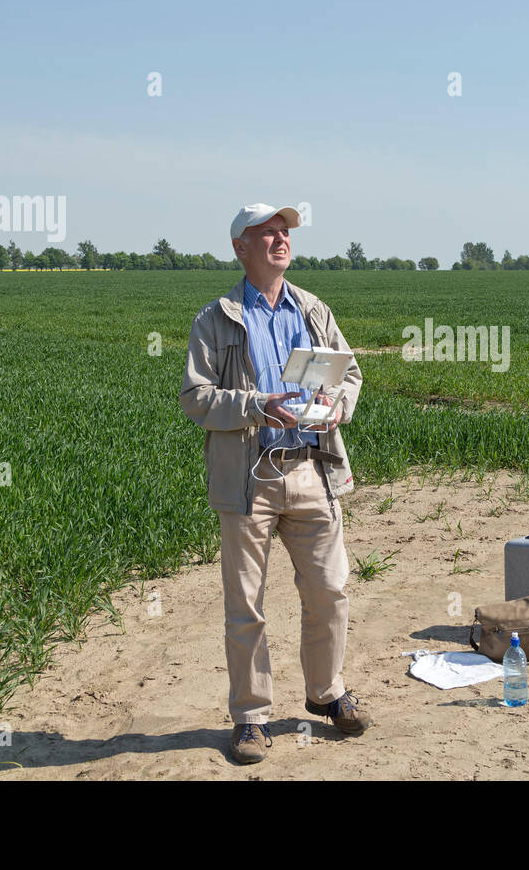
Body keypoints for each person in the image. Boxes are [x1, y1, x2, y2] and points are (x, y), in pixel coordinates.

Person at [179, 203, 370, 765]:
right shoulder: (215, 320)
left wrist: (338, 405)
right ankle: (251, 718)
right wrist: (258, 405)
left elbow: (351, 373)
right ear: (241, 247)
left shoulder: (312, 309)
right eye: (268, 233)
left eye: (285, 232)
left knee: (330, 589)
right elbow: (195, 399)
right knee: (246, 605)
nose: (281, 239)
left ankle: (327, 692)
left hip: (312, 471)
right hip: (248, 481)